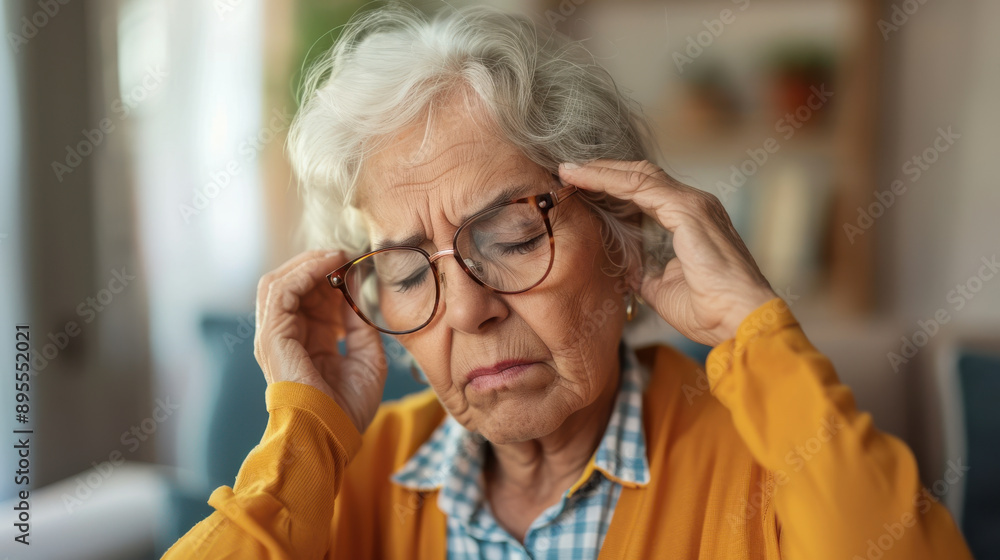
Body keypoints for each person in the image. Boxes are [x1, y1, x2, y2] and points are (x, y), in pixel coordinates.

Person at [163, 5, 972, 559]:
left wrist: (755, 331)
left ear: (621, 237)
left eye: (513, 238)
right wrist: (305, 437)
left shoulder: (767, 460)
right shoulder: (340, 485)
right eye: (408, 272)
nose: (469, 308)